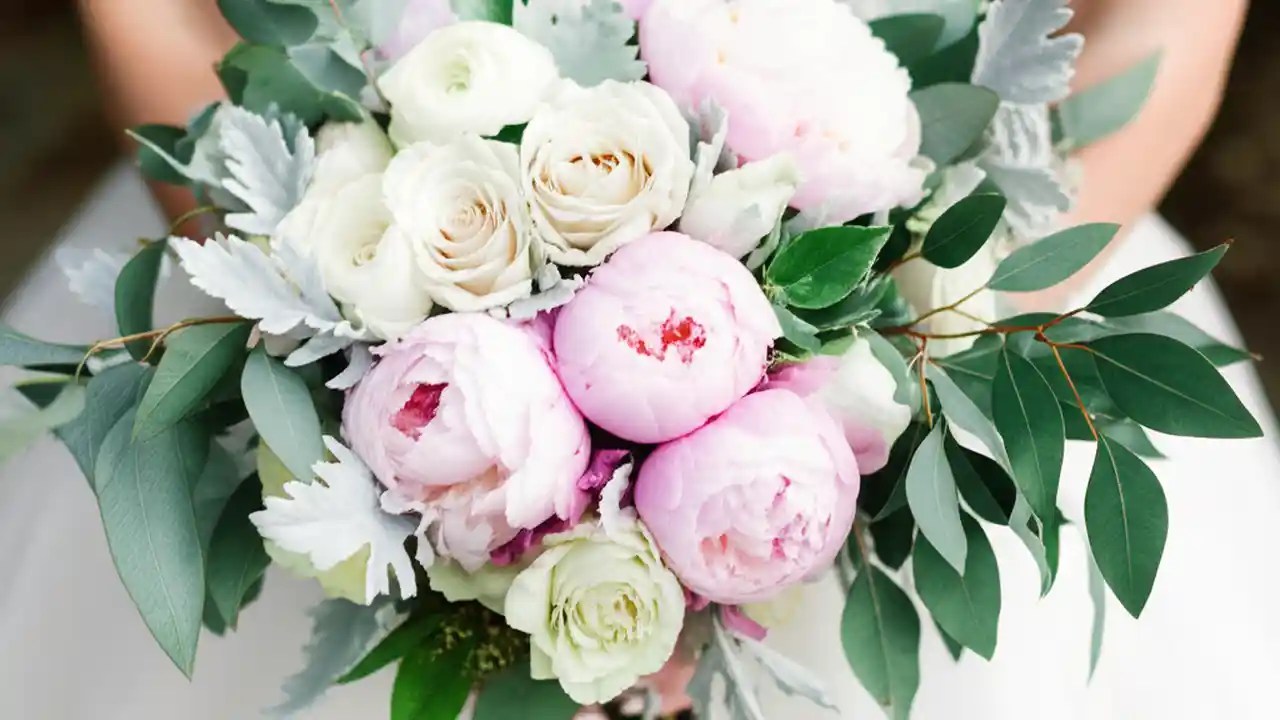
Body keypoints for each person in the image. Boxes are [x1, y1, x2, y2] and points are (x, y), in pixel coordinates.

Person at [0, 0, 1273, 718]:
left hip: (966, 304)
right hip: (333, 261)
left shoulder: (946, 333)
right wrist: (381, 377)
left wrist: (912, 369)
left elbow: (1163, 30)